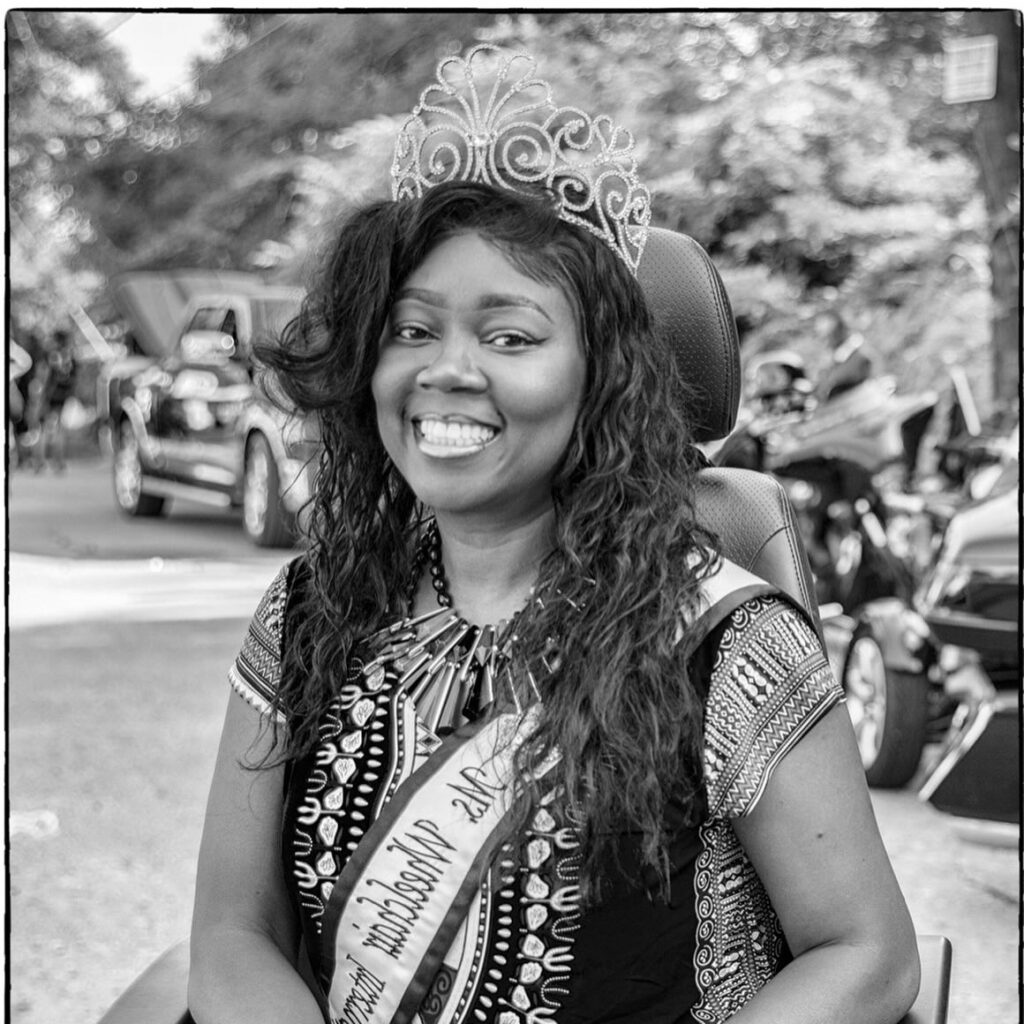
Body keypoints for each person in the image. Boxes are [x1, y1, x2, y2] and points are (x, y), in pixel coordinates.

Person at [189, 46, 919, 1024]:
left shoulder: (724, 642)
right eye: (412, 329)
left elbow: (865, 954)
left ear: (601, 375)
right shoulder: (307, 614)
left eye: (509, 336)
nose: (446, 370)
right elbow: (236, 933)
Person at [32, 327, 77, 472]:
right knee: (58, 429)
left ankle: (40, 462)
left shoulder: (53, 355)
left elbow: (44, 377)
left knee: (43, 429)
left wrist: (39, 396)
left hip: (50, 396)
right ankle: (57, 462)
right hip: (63, 396)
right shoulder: (70, 355)